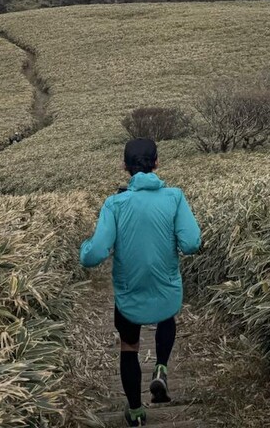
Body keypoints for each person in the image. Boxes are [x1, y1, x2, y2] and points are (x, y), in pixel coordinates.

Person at [80, 137, 202, 427]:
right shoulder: (174, 197)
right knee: (166, 316)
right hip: (164, 284)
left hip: (129, 289)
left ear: (125, 167)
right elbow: (192, 242)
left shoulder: (114, 204)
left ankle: (135, 412)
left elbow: (95, 254)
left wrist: (84, 249)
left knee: (129, 347)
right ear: (157, 162)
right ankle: (161, 369)